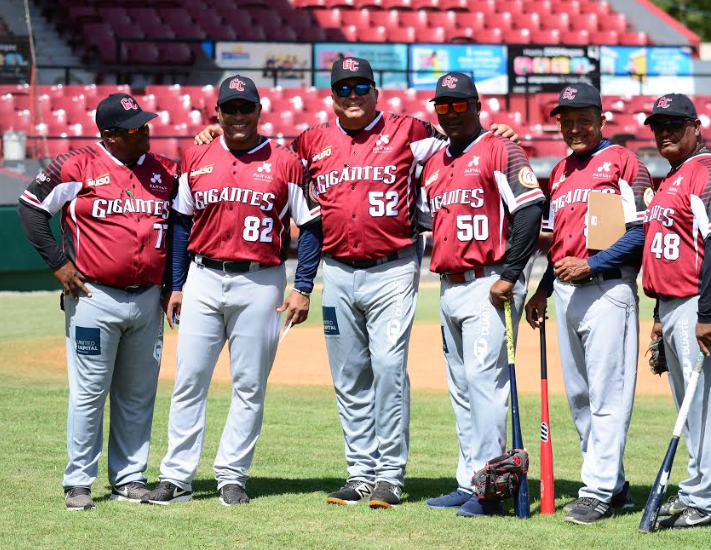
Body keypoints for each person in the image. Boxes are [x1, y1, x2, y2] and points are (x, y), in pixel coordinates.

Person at [194, 58, 517, 508]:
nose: (352, 96)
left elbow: (465, 139)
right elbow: (262, 155)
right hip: (337, 272)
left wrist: (498, 131)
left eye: (361, 87)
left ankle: (389, 476)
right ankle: (360, 473)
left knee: (387, 368)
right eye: (343, 89)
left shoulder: (411, 131)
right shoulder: (311, 141)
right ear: (332, 96)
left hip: (392, 268)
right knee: (348, 377)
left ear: (375, 92)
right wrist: (220, 137)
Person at [142, 75, 316, 506]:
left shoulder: (285, 162)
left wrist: (304, 285)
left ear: (259, 111)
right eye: (231, 108)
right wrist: (176, 284)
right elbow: (180, 224)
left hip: (261, 279)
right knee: (189, 379)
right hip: (203, 275)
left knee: (250, 384)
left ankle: (232, 474)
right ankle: (177, 476)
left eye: (246, 107)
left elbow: (311, 226)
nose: (239, 115)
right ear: (217, 113)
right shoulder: (195, 155)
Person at [17, 93, 176, 510]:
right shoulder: (76, 165)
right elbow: (30, 208)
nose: (145, 132)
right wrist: (58, 263)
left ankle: (129, 478)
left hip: (147, 298)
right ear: (110, 135)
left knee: (138, 394)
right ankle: (78, 482)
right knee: (89, 393)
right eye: (135, 128)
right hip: (93, 296)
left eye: (145, 124)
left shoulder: (164, 169)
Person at [522, 83, 653, 525]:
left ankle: (596, 490)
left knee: (607, 394)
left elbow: (641, 232)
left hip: (607, 289)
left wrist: (593, 265)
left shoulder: (624, 162)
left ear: (601, 120)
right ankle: (614, 486)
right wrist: (543, 289)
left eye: (583, 119)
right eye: (567, 120)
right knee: (579, 396)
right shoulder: (560, 171)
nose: (575, 128)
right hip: (566, 291)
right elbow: (560, 244)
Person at [419, 72, 544, 517]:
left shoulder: (499, 148)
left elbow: (530, 209)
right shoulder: (434, 163)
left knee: (485, 386)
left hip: (490, 283)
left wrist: (511, 274)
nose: (451, 113)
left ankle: (491, 491)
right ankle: (469, 479)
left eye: (459, 104)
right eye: (443, 106)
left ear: (477, 106)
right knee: (461, 388)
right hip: (450, 285)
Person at [640, 93, 711, 529]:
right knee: (690, 406)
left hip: (700, 304)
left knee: (709, 404)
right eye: (657, 126)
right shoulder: (674, 175)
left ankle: (710, 503)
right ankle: (694, 491)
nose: (664, 133)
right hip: (674, 305)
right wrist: (659, 315)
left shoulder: (710, 173)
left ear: (696, 127)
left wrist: (708, 313)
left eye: (674, 125)